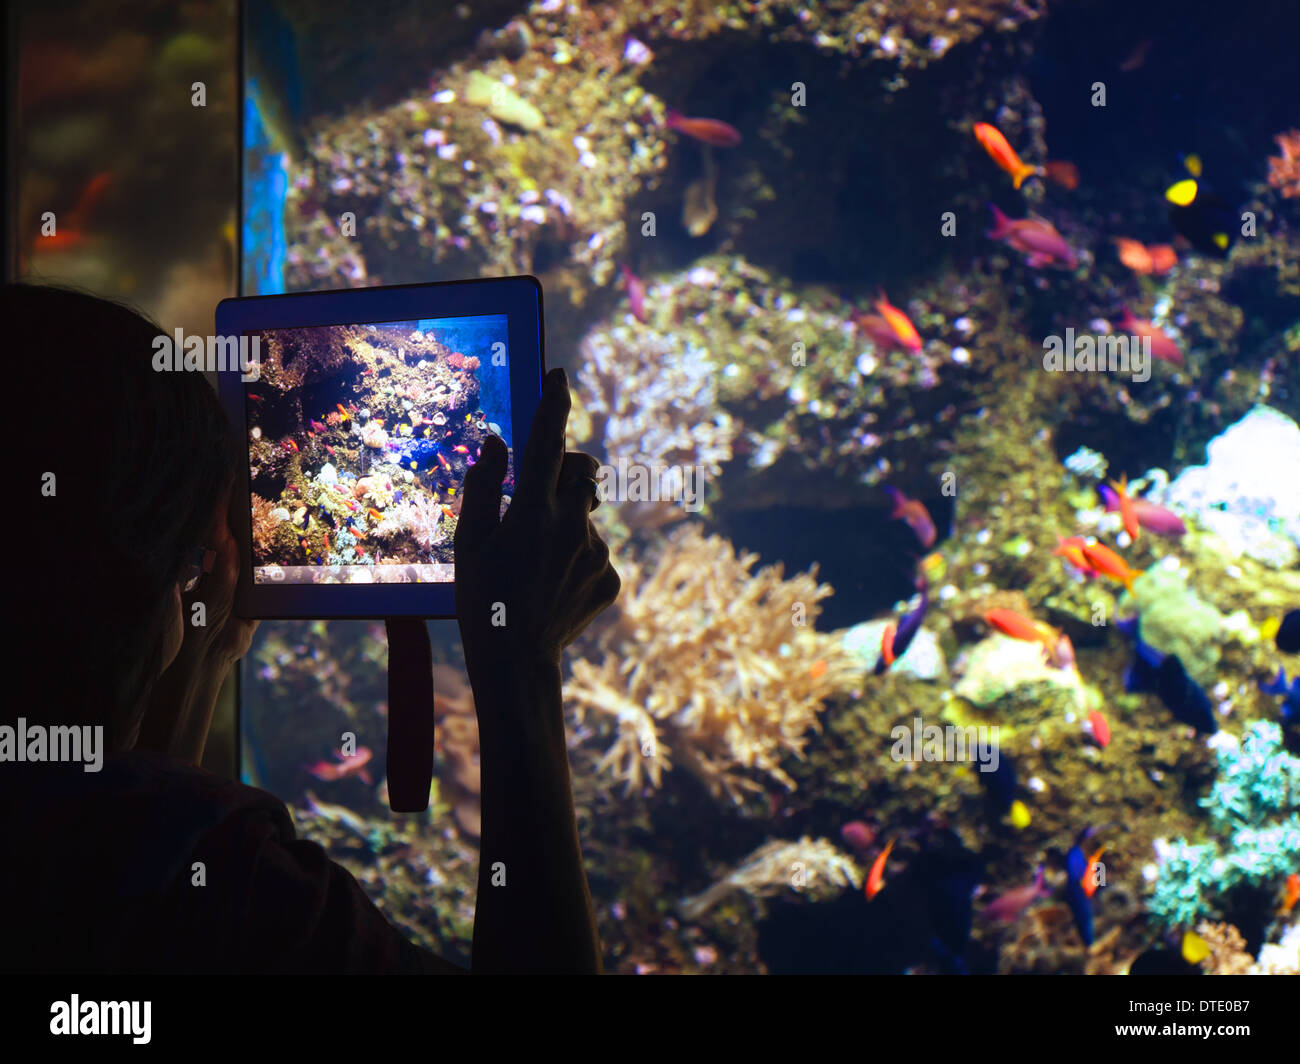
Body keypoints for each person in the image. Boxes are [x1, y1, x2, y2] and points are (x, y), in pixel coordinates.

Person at [1, 282, 620, 973]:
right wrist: (522, 665)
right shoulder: (241, 889)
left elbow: (125, 856)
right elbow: (166, 867)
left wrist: (204, 659)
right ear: (120, 592)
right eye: (184, 571)